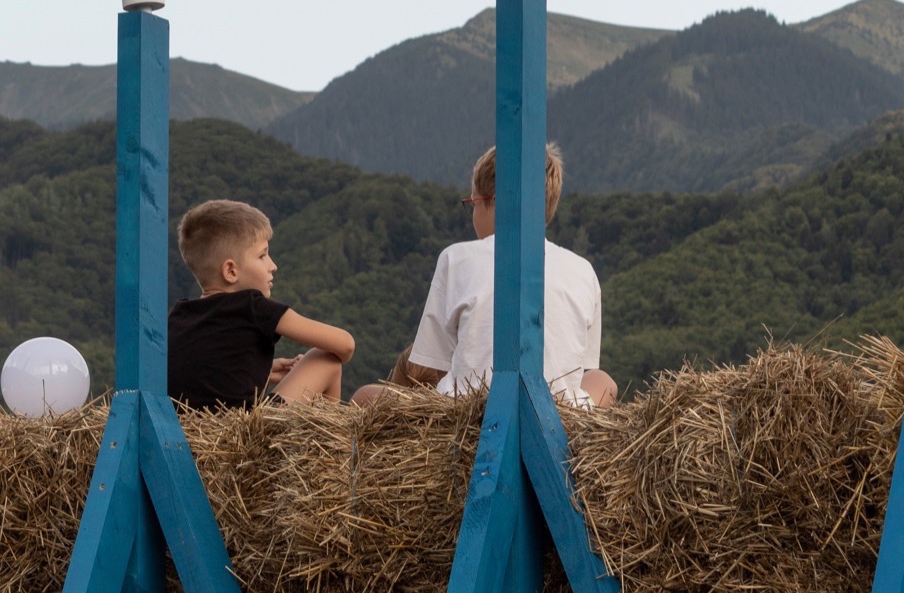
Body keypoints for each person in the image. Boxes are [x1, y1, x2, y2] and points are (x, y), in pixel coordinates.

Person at [354, 144, 617, 408]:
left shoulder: (455, 258)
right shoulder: (584, 271)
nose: (473, 216)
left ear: (491, 202)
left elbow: (426, 367)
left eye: (472, 204)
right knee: (602, 380)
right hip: (558, 416)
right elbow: (580, 370)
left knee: (366, 396)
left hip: (470, 417)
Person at [166, 199, 356, 409]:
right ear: (231, 271)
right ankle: (331, 441)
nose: (272, 266)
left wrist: (265, 370)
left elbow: (203, 376)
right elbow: (345, 345)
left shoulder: (178, 315)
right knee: (326, 359)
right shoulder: (252, 306)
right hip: (249, 437)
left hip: (197, 435)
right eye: (262, 255)